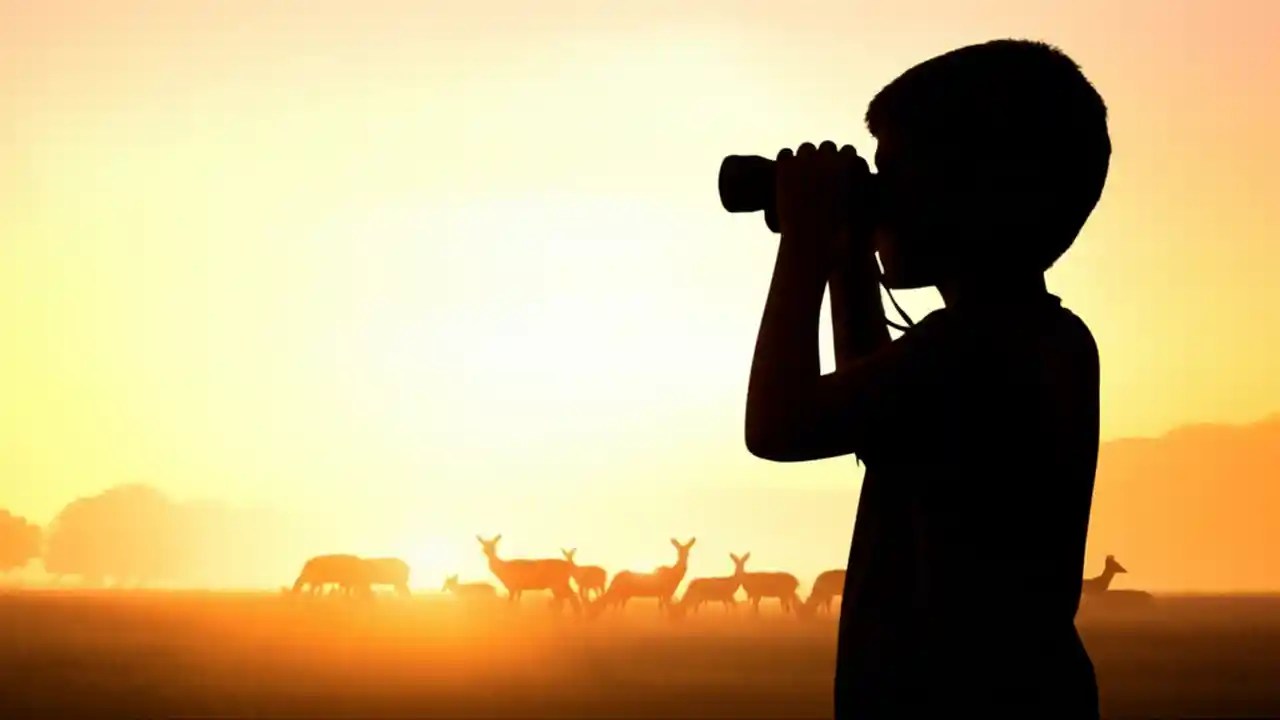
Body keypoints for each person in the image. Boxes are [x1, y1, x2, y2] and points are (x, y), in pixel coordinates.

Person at [743, 39, 1110, 718]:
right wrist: (846, 257)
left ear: (973, 191)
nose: (879, 194)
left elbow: (779, 423)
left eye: (893, 173)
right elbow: (872, 405)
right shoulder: (1039, 337)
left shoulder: (975, 345)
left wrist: (802, 244)